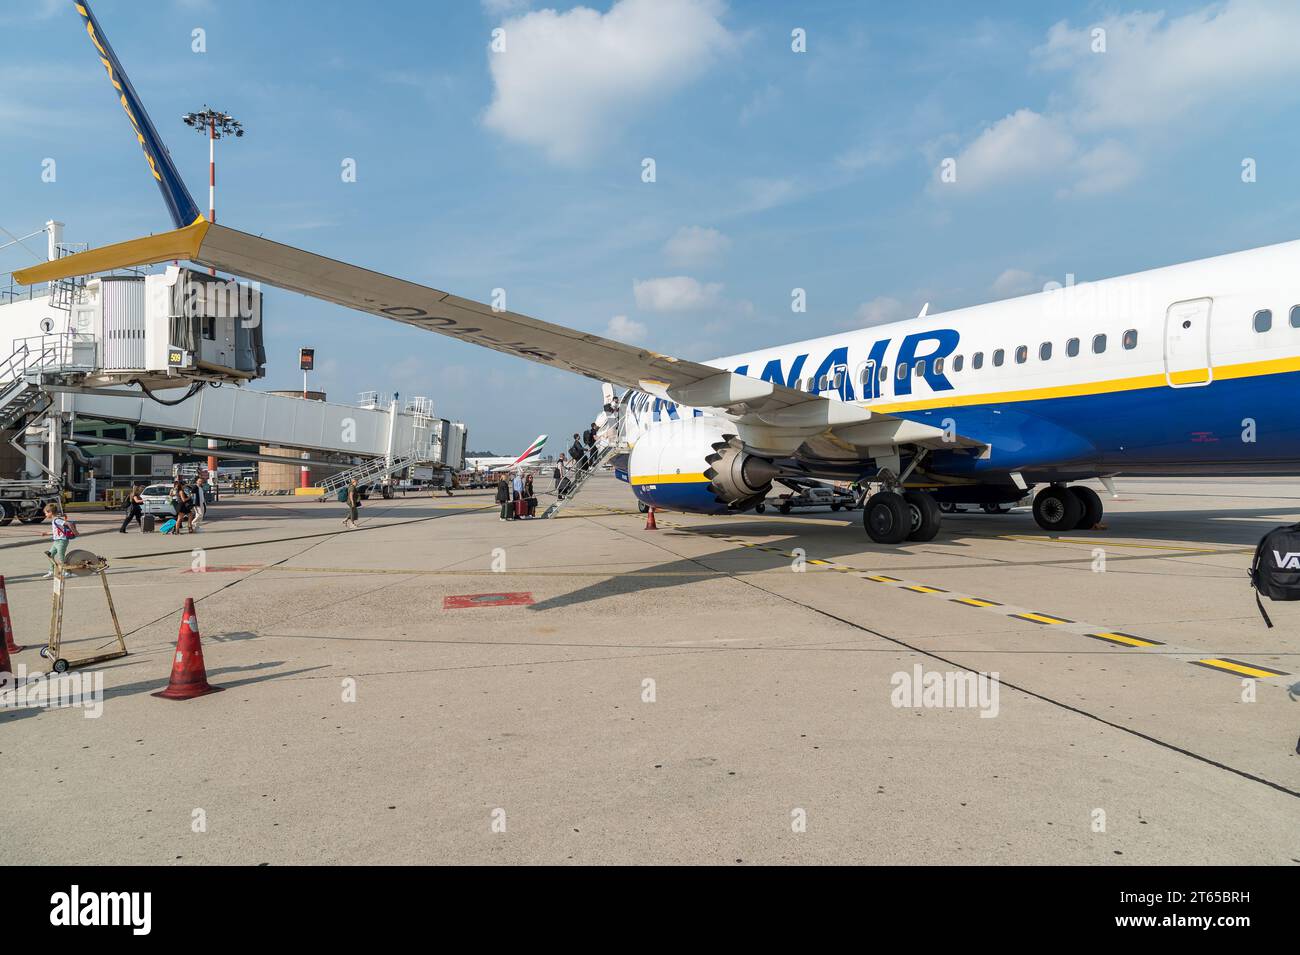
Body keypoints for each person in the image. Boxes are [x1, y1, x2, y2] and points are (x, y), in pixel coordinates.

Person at [42, 504, 76, 579]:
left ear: (50, 512)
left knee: (61, 556)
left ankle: (67, 572)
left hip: (62, 541)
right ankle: (52, 571)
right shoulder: (55, 520)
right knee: (50, 555)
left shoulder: (57, 520)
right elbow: (56, 531)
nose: (45, 515)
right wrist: (47, 533)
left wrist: (75, 532)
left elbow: (69, 523)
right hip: (56, 541)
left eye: (46, 513)